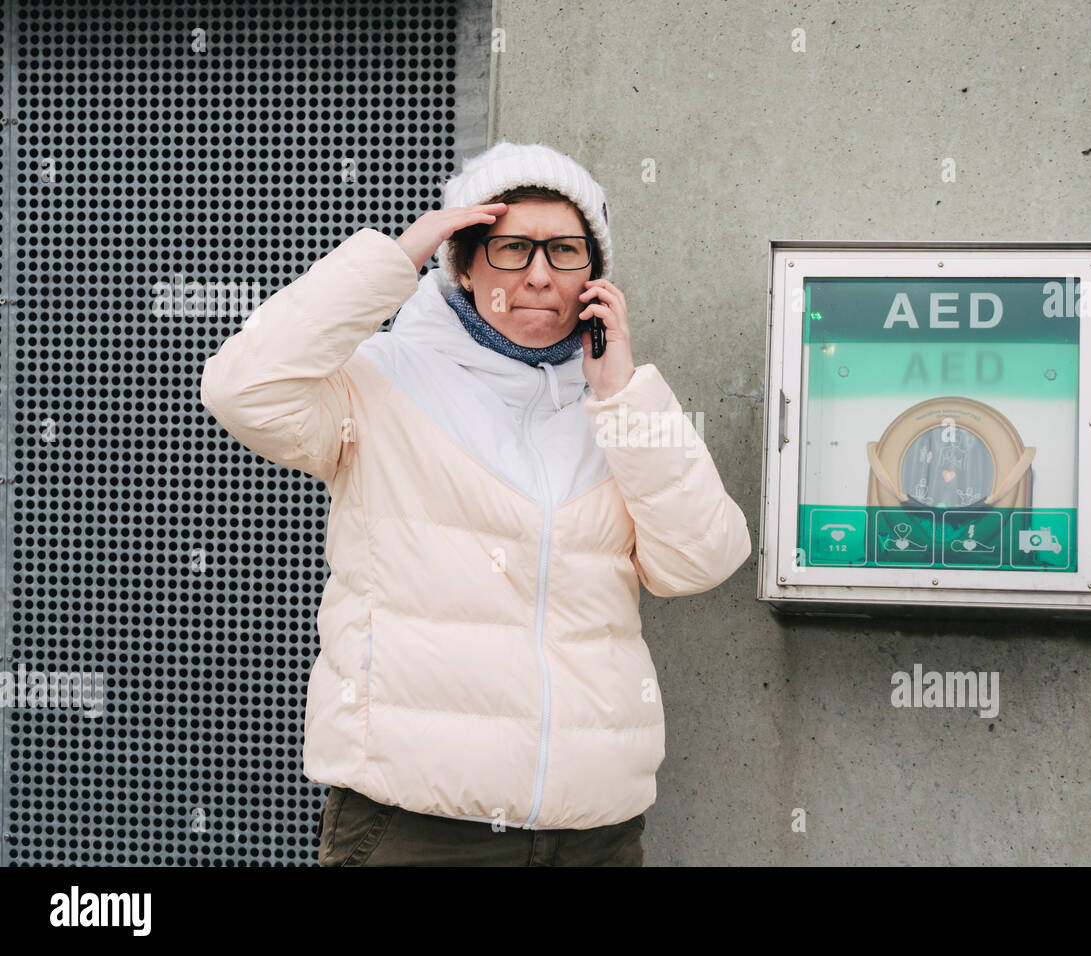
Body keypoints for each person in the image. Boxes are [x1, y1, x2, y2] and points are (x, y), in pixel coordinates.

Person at [199, 141, 751, 866]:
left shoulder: (616, 408)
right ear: (460, 262)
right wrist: (395, 259)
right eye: (511, 248)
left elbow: (700, 561)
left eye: (566, 251)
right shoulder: (380, 382)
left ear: (596, 273)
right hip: (421, 827)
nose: (540, 275)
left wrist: (622, 392)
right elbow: (243, 388)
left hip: (593, 832)